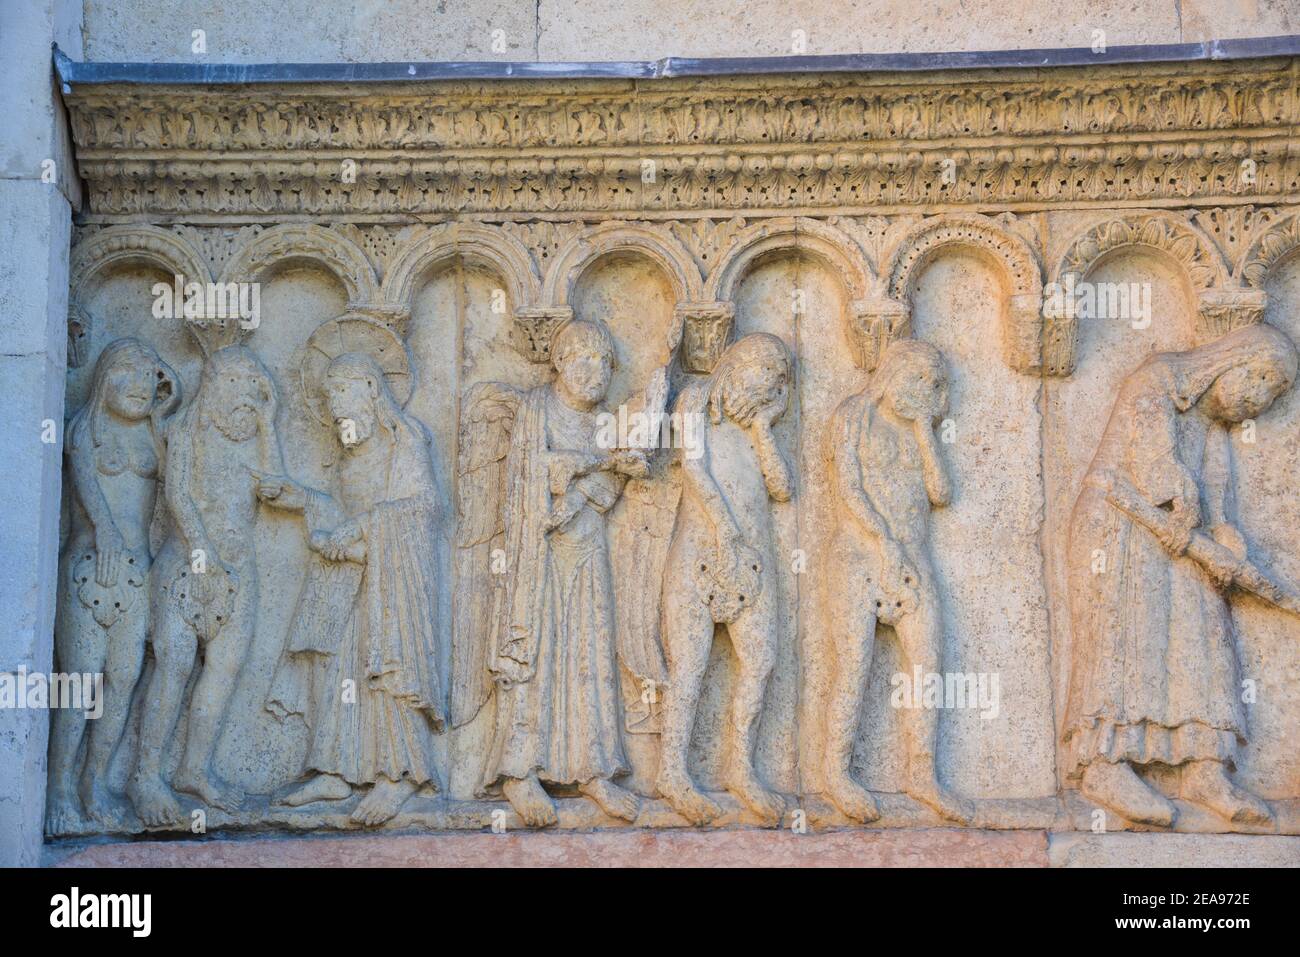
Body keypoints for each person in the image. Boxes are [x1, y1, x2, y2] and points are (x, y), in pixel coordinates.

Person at [1064, 323, 1299, 826]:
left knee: (1205, 639)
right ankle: (1105, 764)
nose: (1258, 403)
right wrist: (1187, 507)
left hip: (1178, 539)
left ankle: (1204, 769)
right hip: (1121, 525)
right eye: (1260, 382)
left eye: (1273, 396)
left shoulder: (1213, 427)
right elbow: (1157, 468)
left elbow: (1215, 493)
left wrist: (1226, 539)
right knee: (1127, 639)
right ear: (1231, 360)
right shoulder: (1159, 381)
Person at [258, 351, 446, 826]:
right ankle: (338, 769)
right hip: (352, 575)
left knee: (387, 666)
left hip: (396, 578)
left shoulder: (404, 438)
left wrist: (361, 528)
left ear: (369, 387)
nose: (334, 401)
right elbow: (340, 510)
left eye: (341, 389)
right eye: (328, 394)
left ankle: (399, 775)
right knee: (341, 666)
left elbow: (423, 507)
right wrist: (301, 500)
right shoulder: (349, 450)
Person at [821, 338, 973, 824]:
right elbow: (848, 487)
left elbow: (941, 492)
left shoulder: (916, 429)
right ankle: (836, 771)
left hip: (913, 560)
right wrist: (883, 540)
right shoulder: (854, 414)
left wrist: (926, 432)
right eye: (919, 379)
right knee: (854, 664)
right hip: (859, 557)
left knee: (928, 661)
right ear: (893, 375)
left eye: (935, 384)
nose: (927, 389)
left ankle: (922, 775)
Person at [47, 339, 178, 831]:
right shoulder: (85, 430)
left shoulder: (154, 437)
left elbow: (177, 484)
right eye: (131, 373)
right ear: (106, 380)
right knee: (81, 684)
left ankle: (94, 785)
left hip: (136, 573)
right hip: (89, 569)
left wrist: (167, 398)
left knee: (121, 684)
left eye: (150, 377)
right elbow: (89, 496)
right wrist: (104, 532)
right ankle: (60, 790)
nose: (143, 385)